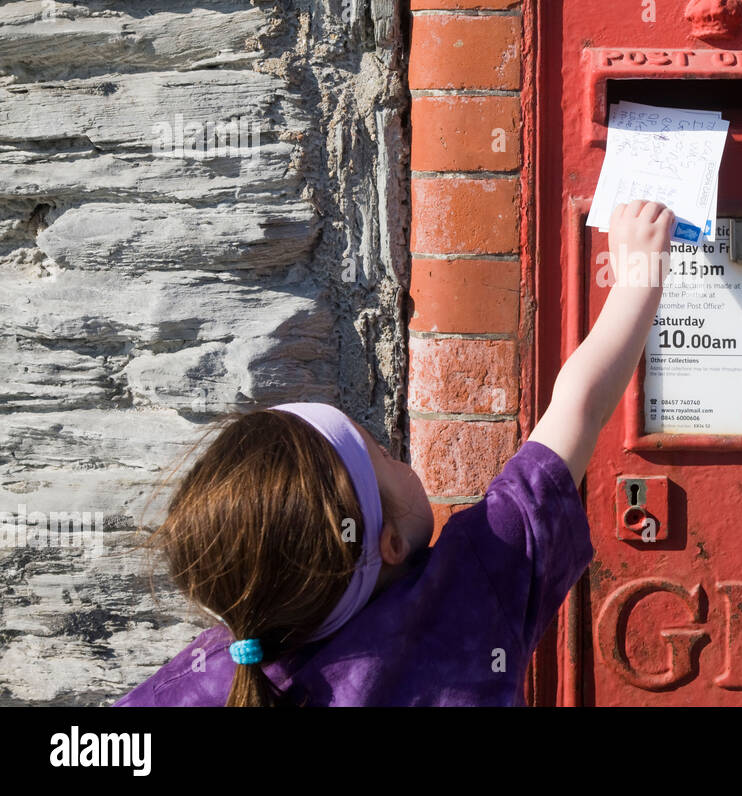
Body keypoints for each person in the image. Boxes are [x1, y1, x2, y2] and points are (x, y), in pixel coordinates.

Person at [114, 200, 676, 706]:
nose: (396, 453)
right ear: (388, 542)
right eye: (381, 454)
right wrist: (638, 276)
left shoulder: (201, 683)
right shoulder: (468, 588)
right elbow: (579, 406)